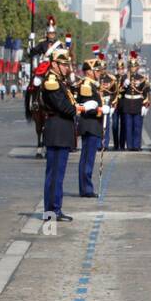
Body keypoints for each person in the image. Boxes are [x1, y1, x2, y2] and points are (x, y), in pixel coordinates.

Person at [40, 44, 75, 221]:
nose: (66, 67)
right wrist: (81, 109)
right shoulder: (52, 82)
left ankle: (53, 210)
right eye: (63, 64)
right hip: (57, 131)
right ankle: (52, 211)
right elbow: (63, 107)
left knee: (57, 174)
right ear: (54, 64)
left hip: (60, 131)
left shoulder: (60, 81)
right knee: (55, 175)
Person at [74, 58, 104, 197]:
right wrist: (101, 110)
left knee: (88, 158)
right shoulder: (86, 85)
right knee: (88, 158)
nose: (99, 72)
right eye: (96, 70)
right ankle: (86, 189)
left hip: (92, 125)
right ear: (89, 72)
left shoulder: (92, 84)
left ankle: (85, 187)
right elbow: (86, 107)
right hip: (90, 124)